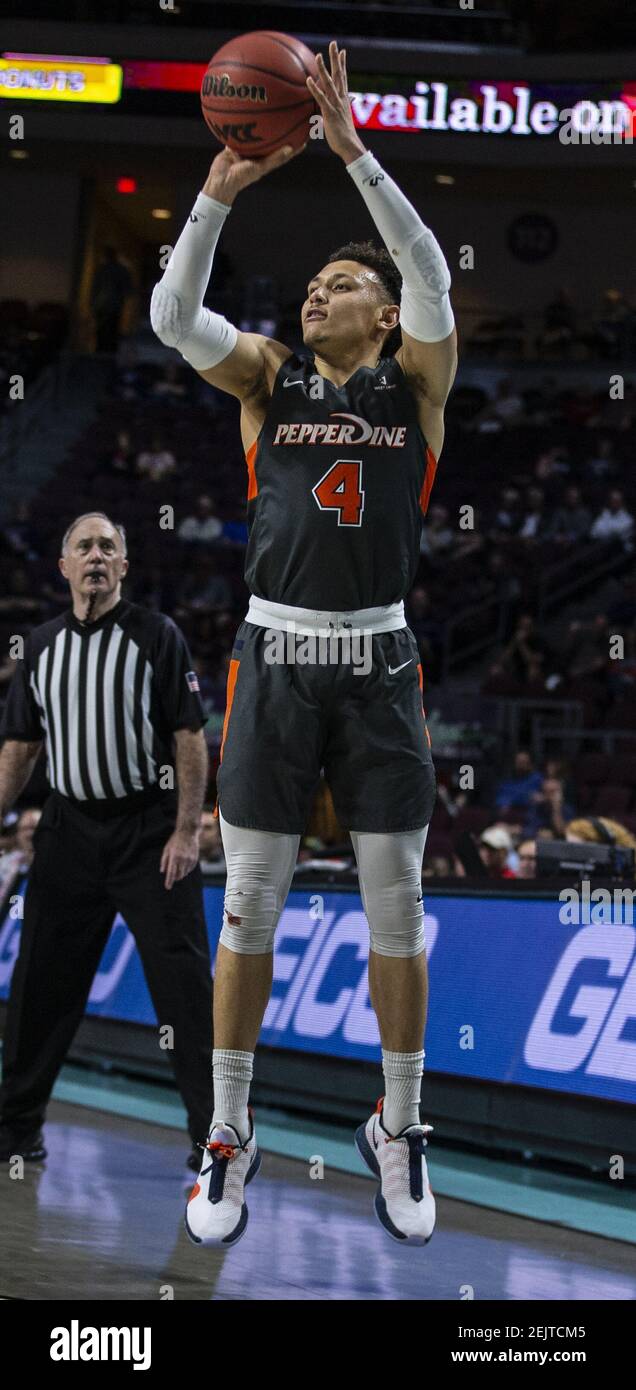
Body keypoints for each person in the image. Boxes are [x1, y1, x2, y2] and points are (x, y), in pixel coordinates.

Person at [151, 39, 457, 1247]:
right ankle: (229, 1130)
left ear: (381, 315)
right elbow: (177, 316)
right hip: (274, 659)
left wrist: (355, 157)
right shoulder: (268, 379)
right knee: (251, 912)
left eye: (339, 286)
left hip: (378, 663)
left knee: (397, 904)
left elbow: (429, 270)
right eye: (314, 287)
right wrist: (219, 190)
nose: (313, 297)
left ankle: (399, 1123)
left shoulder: (416, 381)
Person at [0, 513, 213, 1170]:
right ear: (63, 566)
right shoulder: (37, 646)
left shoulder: (157, 636)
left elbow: (188, 737)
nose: (96, 555)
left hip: (148, 832)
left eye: (108, 547)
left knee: (182, 988)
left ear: (124, 566)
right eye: (83, 546)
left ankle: (216, 1139)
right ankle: (17, 1130)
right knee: (40, 987)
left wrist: (185, 831)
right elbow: (20, 748)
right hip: (67, 832)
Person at [90, 246, 133, 353]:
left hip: (106, 306)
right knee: (107, 334)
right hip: (110, 307)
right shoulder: (118, 270)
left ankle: (103, 354)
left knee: (104, 334)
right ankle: (105, 354)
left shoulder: (103, 270)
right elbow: (128, 290)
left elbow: (95, 288)